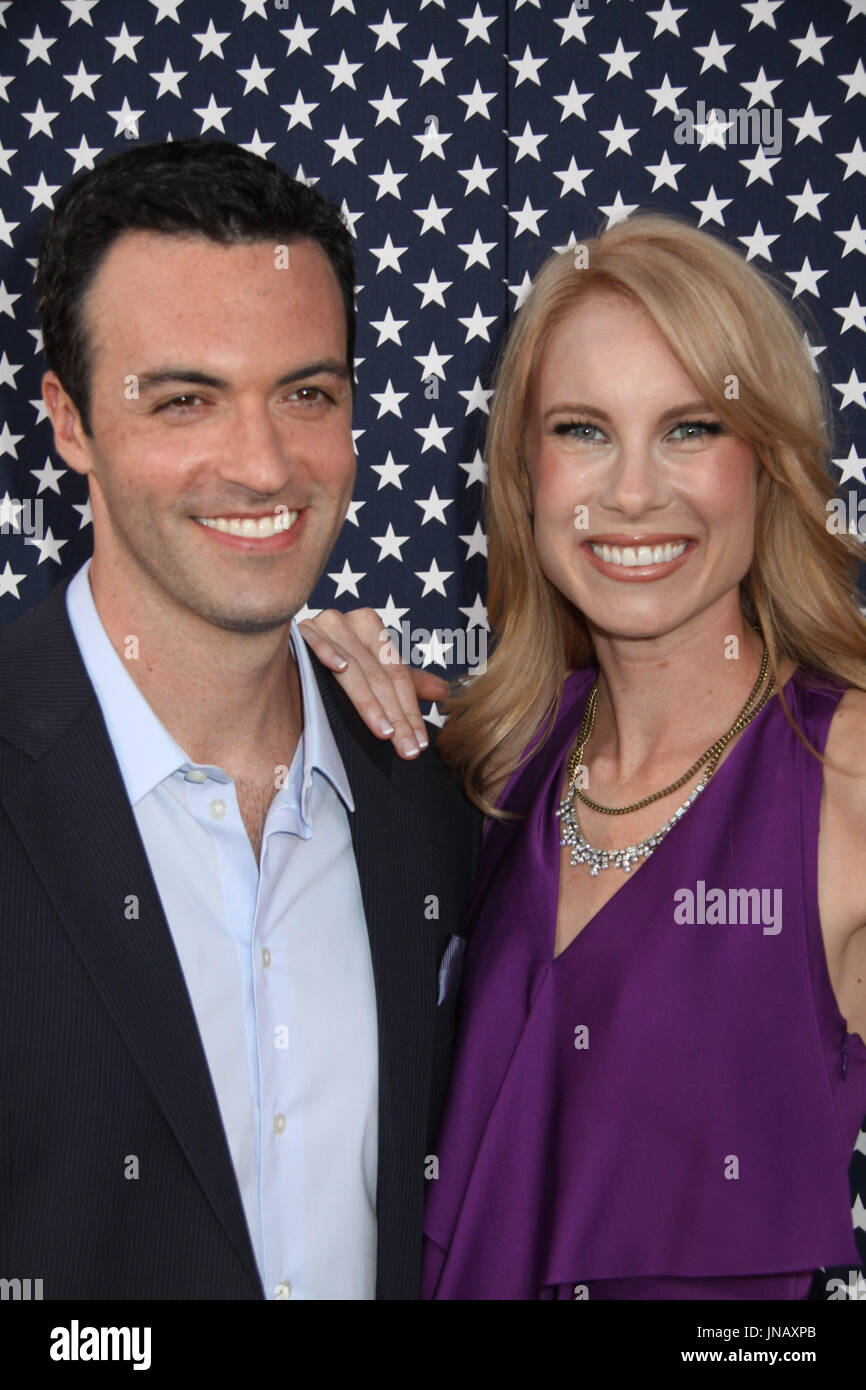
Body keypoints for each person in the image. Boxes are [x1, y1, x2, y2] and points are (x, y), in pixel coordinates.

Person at [299, 211, 866, 1299]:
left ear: (768, 463)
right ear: (523, 473)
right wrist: (286, 661)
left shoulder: (839, 773)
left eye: (690, 426)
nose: (631, 493)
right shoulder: (484, 764)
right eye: (582, 429)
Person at [0, 138, 480, 1301]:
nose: (263, 464)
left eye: (305, 393)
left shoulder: (436, 785)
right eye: (185, 399)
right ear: (69, 423)